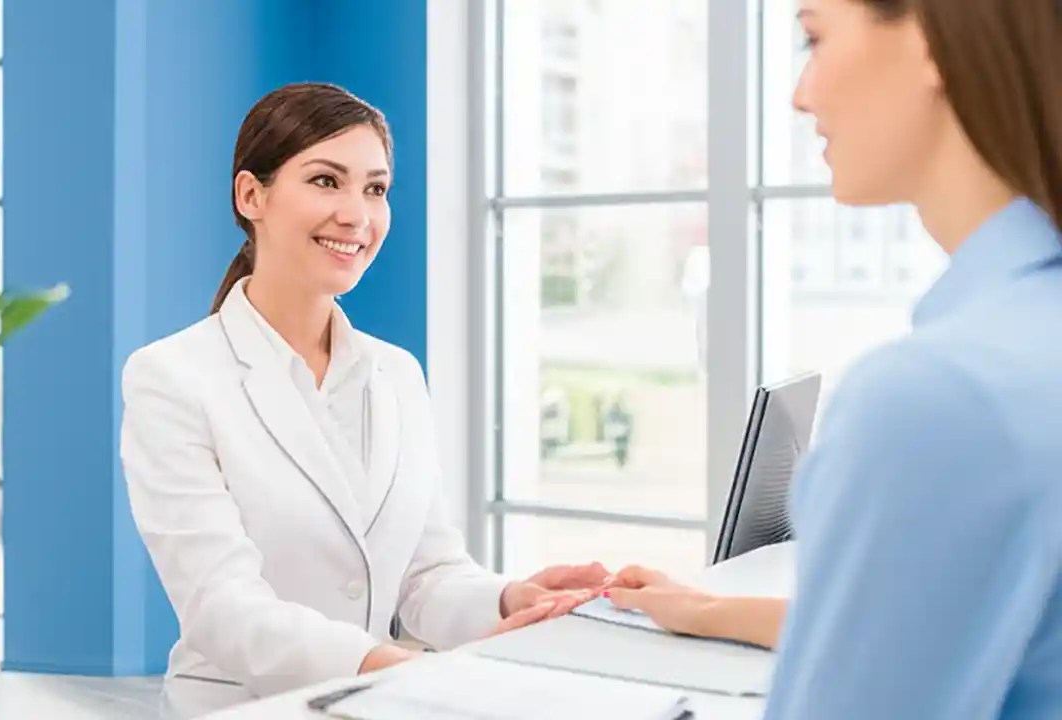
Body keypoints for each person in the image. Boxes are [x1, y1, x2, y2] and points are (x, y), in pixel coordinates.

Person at [605, 0, 1062, 716]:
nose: (800, 94)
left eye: (813, 39)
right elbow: (937, 626)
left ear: (930, 38)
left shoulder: (942, 396)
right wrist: (706, 610)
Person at [119, 82, 605, 707]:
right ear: (251, 195)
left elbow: (425, 576)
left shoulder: (397, 374)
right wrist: (398, 669)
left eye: (375, 189)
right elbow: (222, 608)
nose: (357, 214)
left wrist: (511, 602)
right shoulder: (170, 377)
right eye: (326, 181)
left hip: (377, 702)